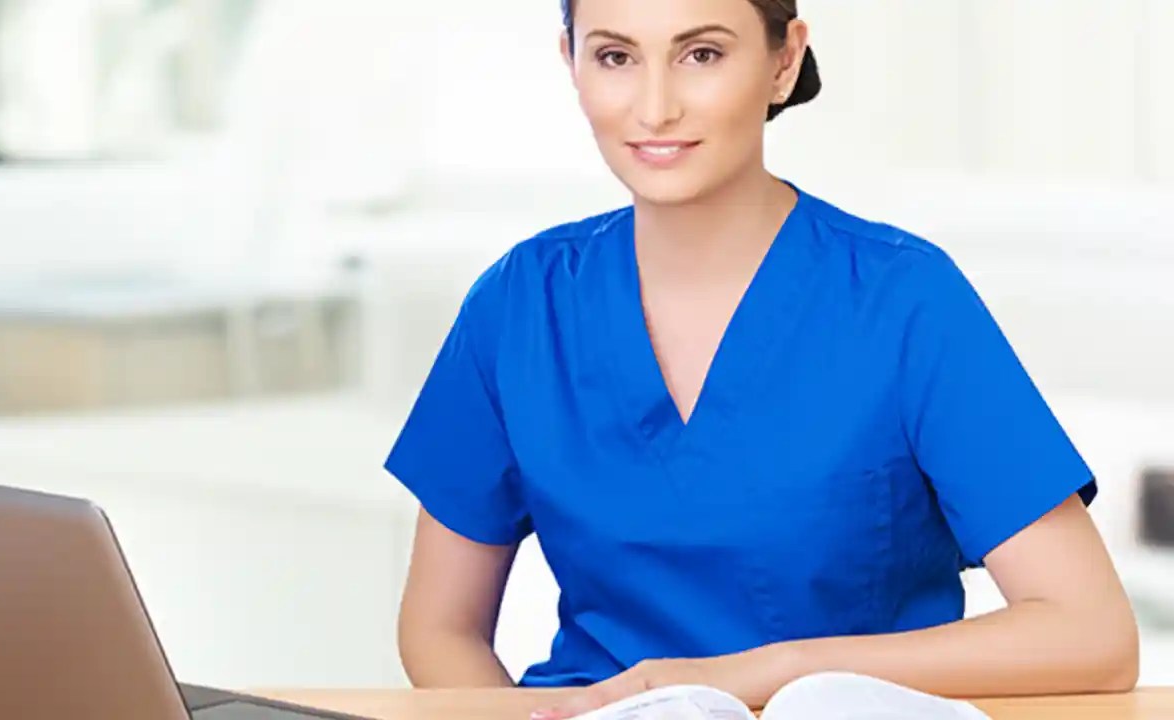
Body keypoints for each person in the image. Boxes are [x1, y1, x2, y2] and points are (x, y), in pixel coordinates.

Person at [385, 0, 1140, 714]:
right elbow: (439, 627)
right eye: (615, 56)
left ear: (785, 61)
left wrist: (776, 673)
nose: (654, 107)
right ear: (570, 63)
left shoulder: (904, 300)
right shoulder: (521, 302)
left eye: (702, 53)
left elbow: (1091, 635)